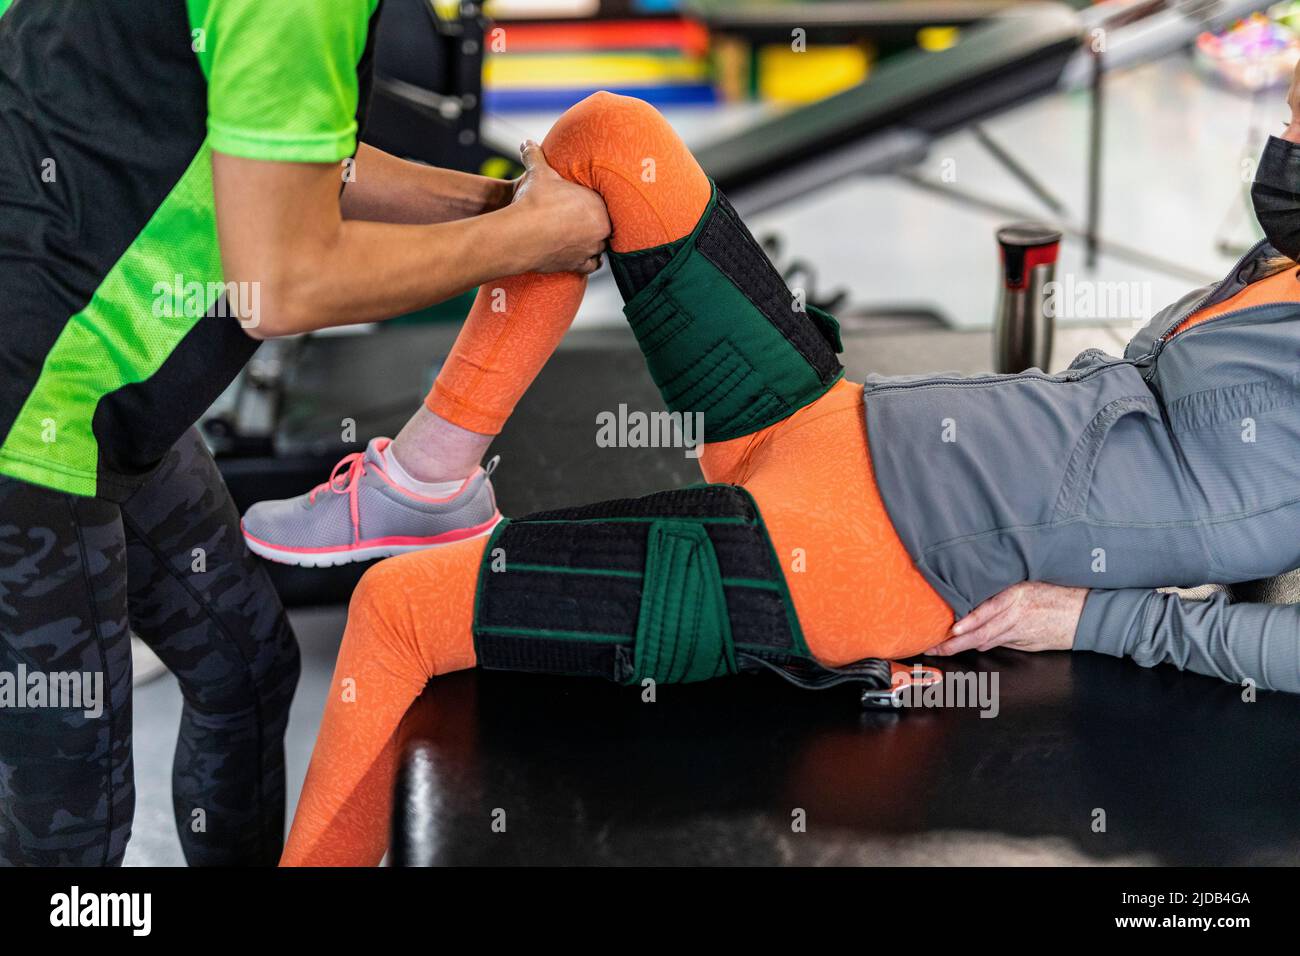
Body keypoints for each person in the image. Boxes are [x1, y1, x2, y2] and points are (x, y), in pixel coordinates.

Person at [273, 72, 1300, 864]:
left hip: (855, 557)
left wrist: (1093, 619)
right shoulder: (1279, 263)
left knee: (396, 610)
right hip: (827, 415)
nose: (1281, 130)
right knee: (611, 141)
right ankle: (429, 474)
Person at [0, 0, 607, 865]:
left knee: (243, 667)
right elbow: (282, 285)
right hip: (34, 409)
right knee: (74, 818)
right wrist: (527, 237)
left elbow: (295, 157)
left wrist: (499, 205)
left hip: (103, 382)